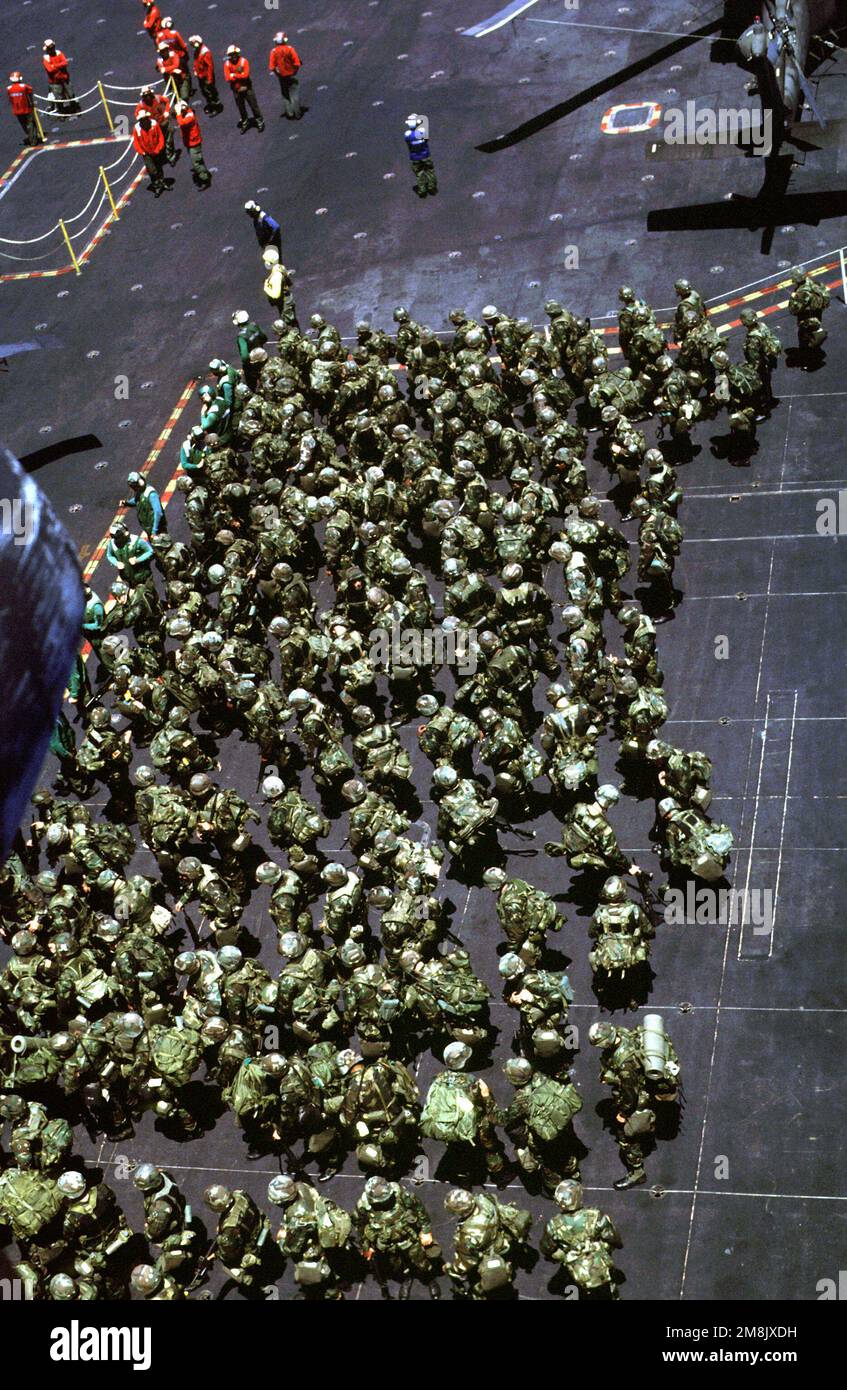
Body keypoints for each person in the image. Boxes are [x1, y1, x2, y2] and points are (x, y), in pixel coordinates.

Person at [223, 44, 264, 132]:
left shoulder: (243, 61)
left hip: (247, 88)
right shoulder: (227, 64)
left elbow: (245, 75)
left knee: (253, 106)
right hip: (236, 90)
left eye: (234, 54)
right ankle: (245, 122)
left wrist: (233, 75)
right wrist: (239, 75)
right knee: (241, 108)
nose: (233, 56)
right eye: (231, 55)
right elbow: (227, 78)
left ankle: (259, 121)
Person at [174, 101, 212, 189]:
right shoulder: (187, 113)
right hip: (190, 142)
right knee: (198, 160)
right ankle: (204, 173)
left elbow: (181, 123)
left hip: (194, 143)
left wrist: (178, 113)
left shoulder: (189, 117)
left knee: (196, 163)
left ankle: (205, 178)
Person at [133, 112, 169, 197]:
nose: (144, 121)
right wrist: (143, 152)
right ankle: (157, 186)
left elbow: (160, 137)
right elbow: (136, 142)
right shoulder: (137, 129)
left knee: (159, 167)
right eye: (142, 120)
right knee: (152, 170)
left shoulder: (154, 124)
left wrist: (158, 148)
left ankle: (162, 182)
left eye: (145, 119)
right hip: (147, 154)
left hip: (156, 151)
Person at [268, 31, 303, 119]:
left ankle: (290, 113)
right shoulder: (290, 49)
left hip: (282, 76)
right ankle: (297, 113)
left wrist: (277, 74)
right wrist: (295, 71)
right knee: (294, 94)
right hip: (291, 75)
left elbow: (272, 67)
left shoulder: (273, 51)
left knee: (285, 95)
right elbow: (297, 63)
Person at [41, 40, 78, 118]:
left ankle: (74, 109)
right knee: (59, 98)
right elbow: (50, 70)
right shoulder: (46, 58)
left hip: (65, 79)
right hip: (55, 82)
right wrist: (59, 66)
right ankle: (62, 113)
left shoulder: (59, 53)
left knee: (71, 95)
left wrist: (54, 66)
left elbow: (65, 63)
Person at [404, 113, 437, 197]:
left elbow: (408, 143)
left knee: (419, 174)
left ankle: (422, 190)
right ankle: (432, 188)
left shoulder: (407, 134)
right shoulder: (422, 132)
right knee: (430, 171)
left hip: (414, 157)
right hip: (425, 155)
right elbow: (426, 140)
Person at [189, 35, 223, 115]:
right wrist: (195, 70)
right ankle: (211, 105)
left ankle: (216, 107)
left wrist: (209, 79)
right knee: (205, 92)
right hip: (201, 76)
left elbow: (210, 67)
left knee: (211, 92)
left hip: (206, 77)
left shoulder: (205, 52)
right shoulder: (197, 51)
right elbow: (196, 62)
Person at [6, 72, 42, 147]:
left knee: (24, 125)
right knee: (31, 124)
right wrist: (32, 103)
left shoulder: (8, 89)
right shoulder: (24, 86)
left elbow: (10, 99)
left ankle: (31, 137)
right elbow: (30, 91)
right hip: (26, 109)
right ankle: (33, 140)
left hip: (17, 111)